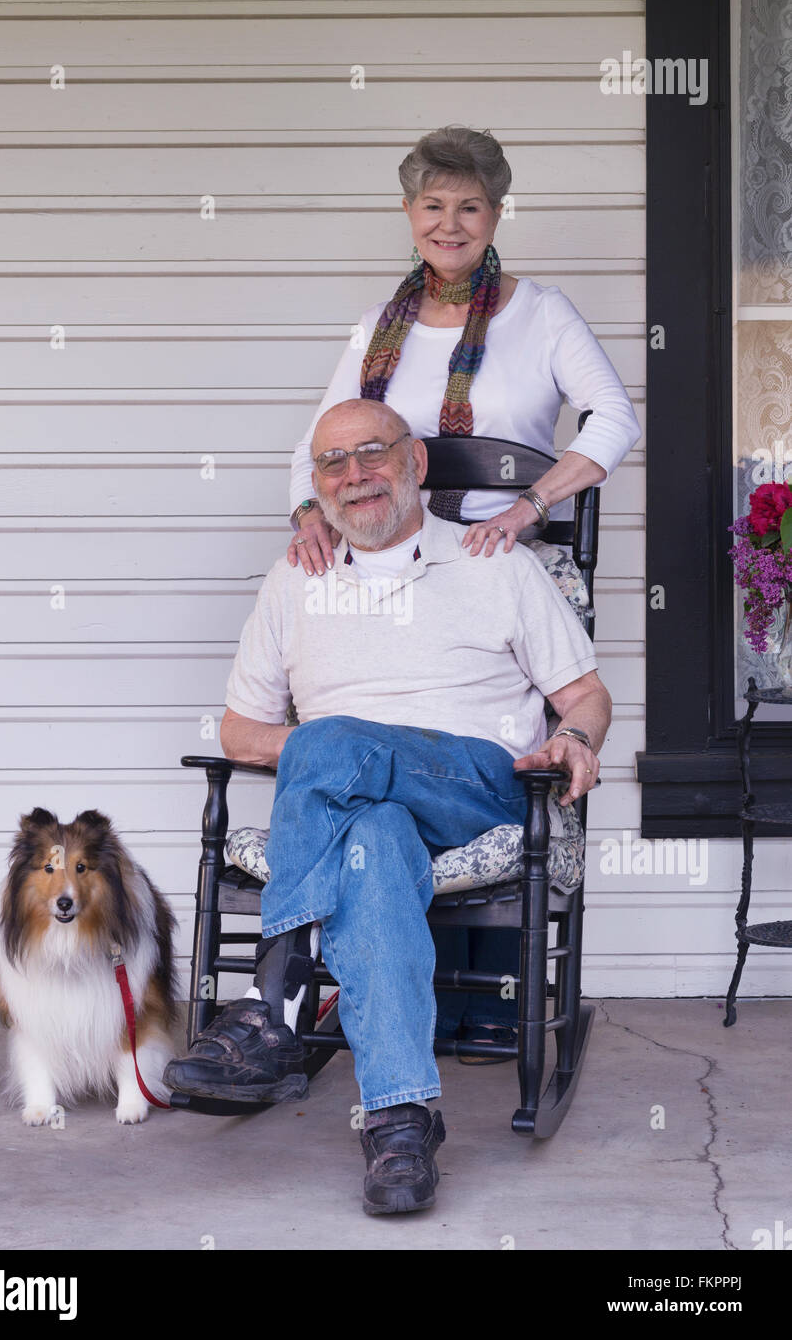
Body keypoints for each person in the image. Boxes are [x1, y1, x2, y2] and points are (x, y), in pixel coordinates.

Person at [164, 400, 612, 1216]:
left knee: (329, 743)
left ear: (417, 465)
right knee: (370, 838)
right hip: (363, 810)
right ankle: (402, 1124)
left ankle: (276, 1006)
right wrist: (323, 753)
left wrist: (576, 739)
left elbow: (585, 696)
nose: (355, 475)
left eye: (373, 453)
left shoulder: (497, 561)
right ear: (318, 487)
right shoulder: (295, 579)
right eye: (333, 463)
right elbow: (237, 728)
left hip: (477, 785)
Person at [284, 125, 639, 1057]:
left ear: (495, 217)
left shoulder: (542, 313)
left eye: (469, 206)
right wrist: (309, 517)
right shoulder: (378, 326)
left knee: (357, 743)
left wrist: (530, 505)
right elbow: (319, 441)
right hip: (384, 548)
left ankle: (275, 990)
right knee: (369, 774)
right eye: (433, 206)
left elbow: (614, 418)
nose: (450, 223)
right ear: (409, 218)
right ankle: (379, 988)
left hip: (485, 558)